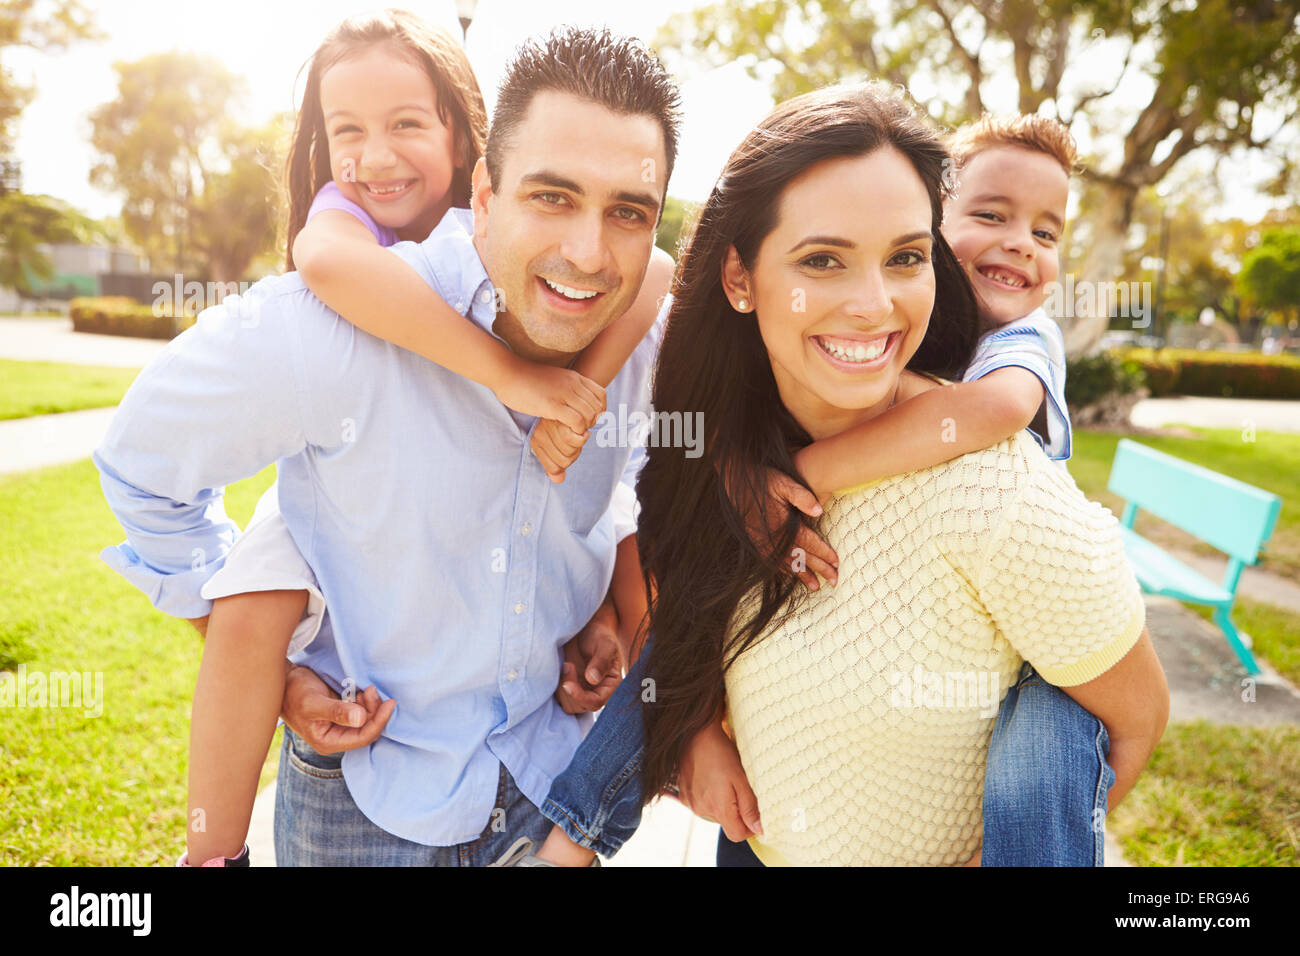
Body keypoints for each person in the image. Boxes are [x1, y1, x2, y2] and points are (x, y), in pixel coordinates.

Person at [505, 84, 1167, 867]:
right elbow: (691, 622)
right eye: (823, 259)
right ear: (739, 278)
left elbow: (1133, 721)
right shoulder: (732, 450)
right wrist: (701, 730)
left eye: (904, 258)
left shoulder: (990, 489)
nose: (872, 303)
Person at [95, 25, 681, 867]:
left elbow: (629, 476)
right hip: (361, 808)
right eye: (551, 196)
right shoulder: (325, 326)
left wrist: (592, 611)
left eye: (627, 210)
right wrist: (281, 667)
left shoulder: (644, 326)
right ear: (484, 192)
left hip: (549, 785)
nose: (589, 251)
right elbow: (140, 467)